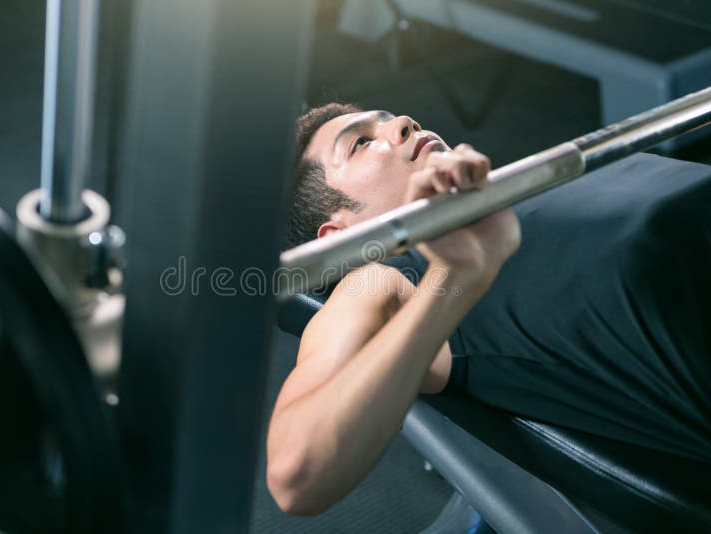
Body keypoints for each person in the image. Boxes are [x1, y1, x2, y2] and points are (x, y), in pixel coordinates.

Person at [266, 103, 711, 516]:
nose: (403, 123)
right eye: (360, 143)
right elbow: (295, 472)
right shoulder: (384, 280)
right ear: (339, 236)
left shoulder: (539, 184)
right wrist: (456, 276)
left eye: (386, 119)